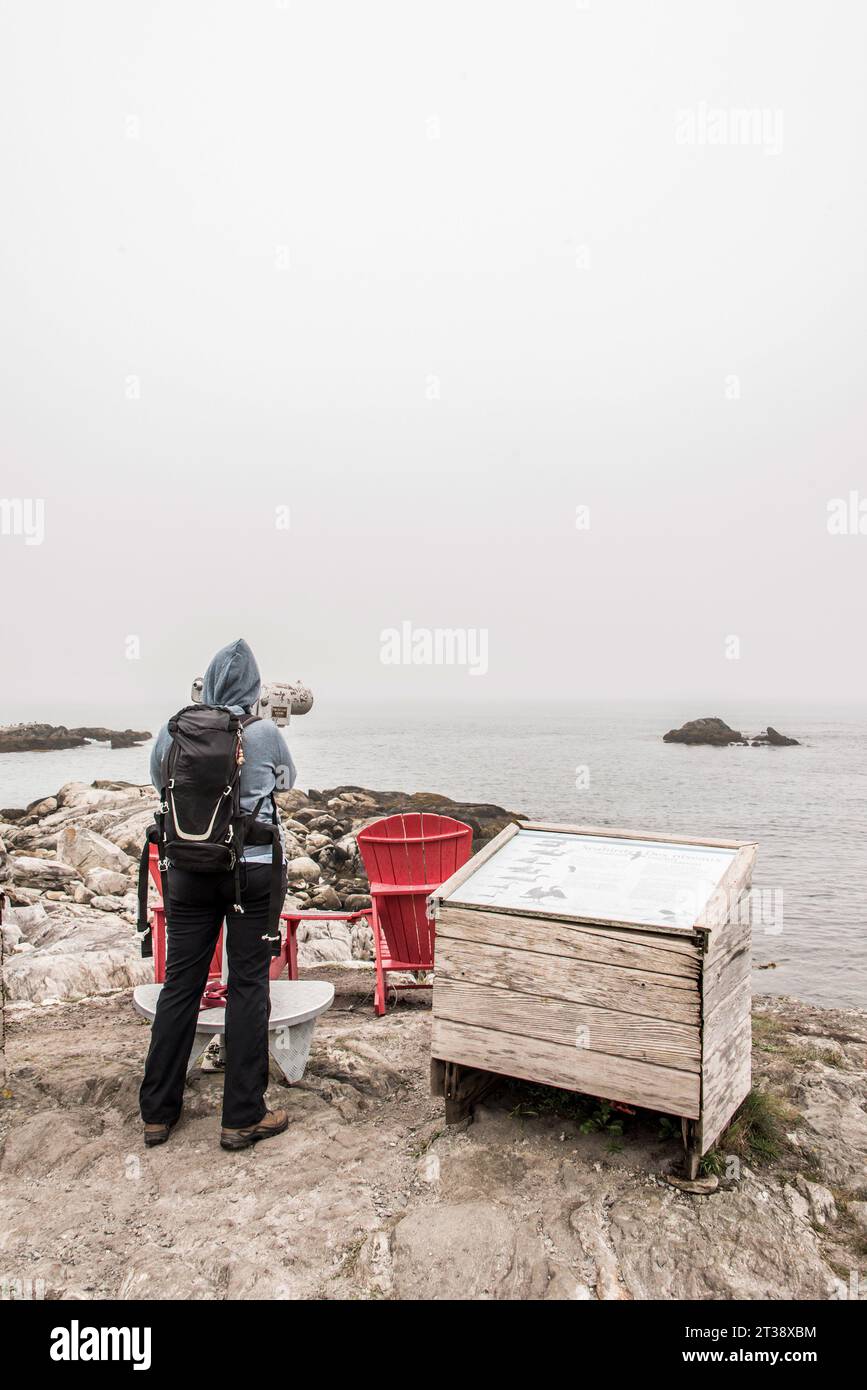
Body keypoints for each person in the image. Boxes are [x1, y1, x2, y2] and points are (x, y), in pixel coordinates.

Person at [139, 638, 295, 1150]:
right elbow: (286, 782)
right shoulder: (264, 732)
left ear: (206, 683)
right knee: (248, 986)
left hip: (187, 871)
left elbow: (159, 781)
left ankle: (157, 1114)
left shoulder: (173, 729)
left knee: (180, 985)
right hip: (249, 873)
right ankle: (242, 1117)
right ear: (253, 688)